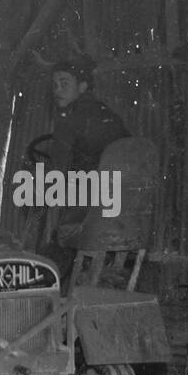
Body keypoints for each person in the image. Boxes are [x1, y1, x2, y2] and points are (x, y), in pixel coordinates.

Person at [44, 56, 130, 258]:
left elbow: (57, 172)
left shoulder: (69, 120)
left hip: (88, 215)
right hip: (121, 211)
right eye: (54, 85)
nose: (57, 90)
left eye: (64, 84)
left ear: (82, 86)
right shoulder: (107, 113)